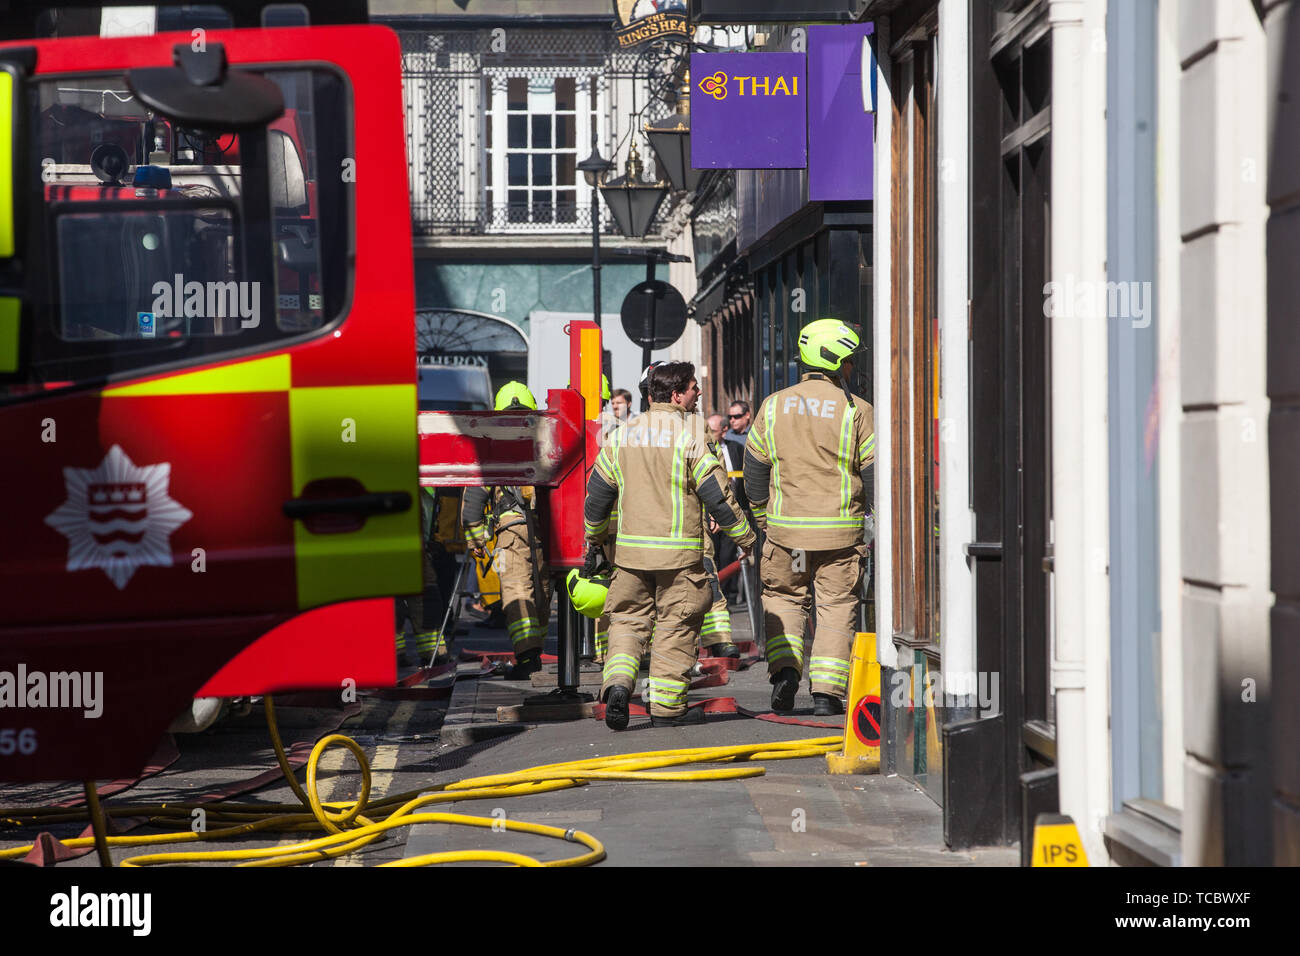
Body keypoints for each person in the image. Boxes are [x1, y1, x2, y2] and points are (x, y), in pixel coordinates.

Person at [584, 361, 756, 730]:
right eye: (693, 388)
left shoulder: (622, 435)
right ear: (676, 394)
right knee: (676, 626)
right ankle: (665, 708)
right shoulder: (688, 435)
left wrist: (594, 537)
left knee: (627, 622)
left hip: (630, 557)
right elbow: (718, 498)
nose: (697, 395)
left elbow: (597, 495)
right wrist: (746, 538)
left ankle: (617, 684)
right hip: (678, 557)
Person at [744, 318, 875, 717]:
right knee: (835, 607)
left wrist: (763, 517)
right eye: (849, 360)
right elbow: (872, 474)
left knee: (785, 598)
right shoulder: (858, 410)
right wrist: (876, 520)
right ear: (835, 361)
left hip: (788, 537)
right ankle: (826, 694)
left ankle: (785, 671)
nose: (852, 368)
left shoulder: (774, 405)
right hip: (839, 537)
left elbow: (753, 469)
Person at [461, 381, 553, 680]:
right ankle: (534, 650)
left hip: (511, 532)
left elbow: (475, 497)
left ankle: (528, 656)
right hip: (543, 530)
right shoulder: (546, 442)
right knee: (541, 591)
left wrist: (475, 539)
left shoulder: (491, 446)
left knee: (516, 590)